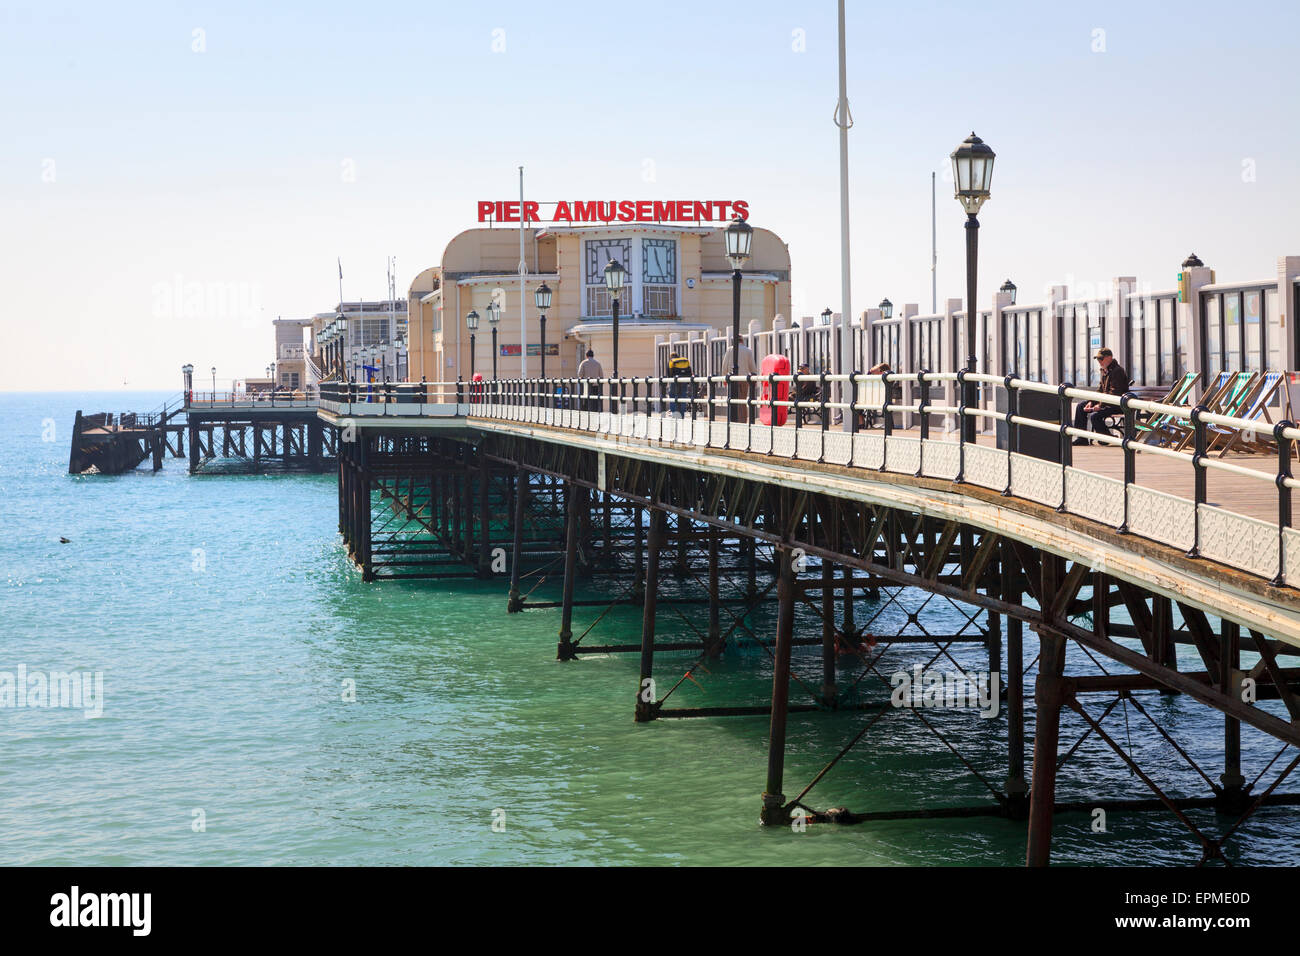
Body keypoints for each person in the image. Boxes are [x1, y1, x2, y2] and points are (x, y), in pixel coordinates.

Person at [1072, 347, 1130, 445]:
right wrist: (1091, 402)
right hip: (1107, 402)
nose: (1099, 361)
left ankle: (1106, 438)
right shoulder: (1104, 370)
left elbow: (1114, 394)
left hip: (1117, 404)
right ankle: (1082, 438)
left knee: (1095, 416)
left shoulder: (1117, 371)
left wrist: (1100, 405)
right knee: (1081, 406)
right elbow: (1100, 390)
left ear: (1109, 358)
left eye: (1101, 359)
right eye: (1098, 359)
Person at [720, 341, 759, 422]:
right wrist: (754, 379)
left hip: (732, 379)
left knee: (732, 400)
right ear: (742, 341)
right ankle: (743, 420)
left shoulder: (730, 350)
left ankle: (732, 419)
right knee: (742, 401)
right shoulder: (748, 350)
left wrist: (724, 378)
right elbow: (752, 367)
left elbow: (724, 366)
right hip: (744, 379)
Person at [666, 352, 692, 418]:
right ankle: (682, 414)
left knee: (672, 395)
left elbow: (669, 374)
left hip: (675, 381)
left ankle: (673, 412)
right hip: (684, 380)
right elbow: (689, 371)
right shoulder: (684, 361)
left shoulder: (671, 361)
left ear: (671, 357)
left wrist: (670, 381)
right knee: (683, 395)